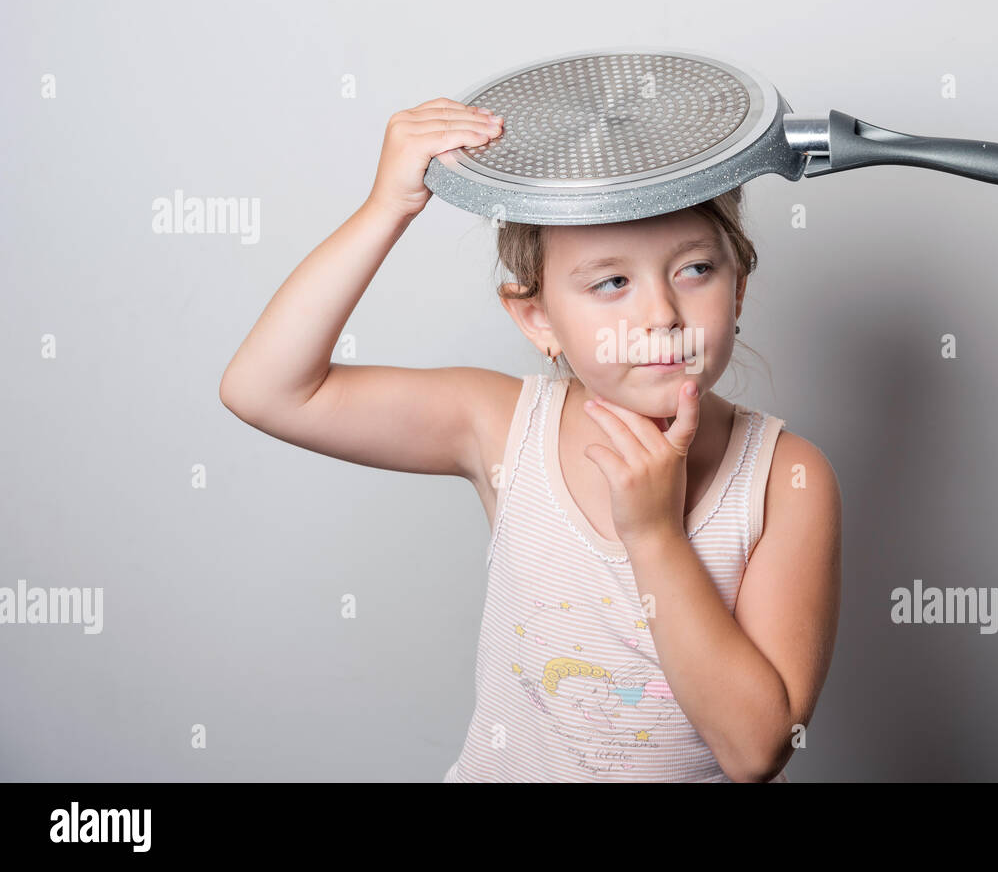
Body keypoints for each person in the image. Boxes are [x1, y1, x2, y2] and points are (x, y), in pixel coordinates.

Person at [219, 98, 842, 782]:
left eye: (695, 269)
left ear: (739, 289)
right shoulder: (502, 425)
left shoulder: (786, 478)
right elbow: (266, 389)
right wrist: (385, 208)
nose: (662, 314)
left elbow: (756, 748)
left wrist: (656, 536)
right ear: (537, 317)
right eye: (611, 281)